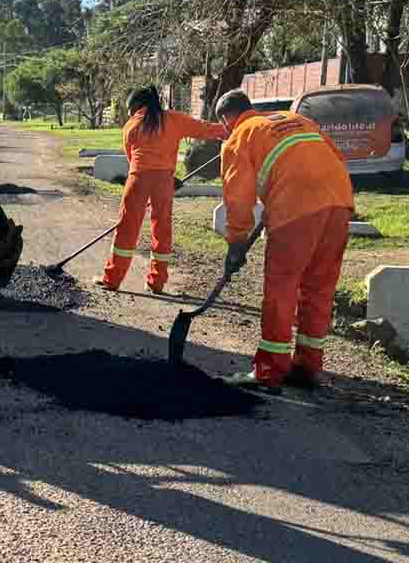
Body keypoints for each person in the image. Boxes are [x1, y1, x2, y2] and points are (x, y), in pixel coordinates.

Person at [214, 88, 354, 394]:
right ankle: (307, 367)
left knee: (281, 288)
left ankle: (269, 372)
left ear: (227, 119)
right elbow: (327, 158)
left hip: (297, 210)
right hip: (339, 204)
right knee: (318, 288)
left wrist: (236, 242)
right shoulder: (296, 119)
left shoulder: (239, 137)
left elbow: (238, 200)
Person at [93, 85, 226, 295]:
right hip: (163, 181)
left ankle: (112, 279)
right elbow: (206, 129)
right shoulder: (174, 119)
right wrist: (231, 130)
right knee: (161, 229)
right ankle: (156, 282)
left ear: (136, 106)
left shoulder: (131, 125)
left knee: (127, 228)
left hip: (137, 180)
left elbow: (132, 160)